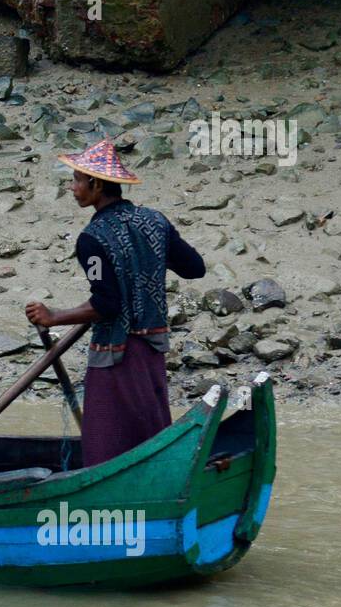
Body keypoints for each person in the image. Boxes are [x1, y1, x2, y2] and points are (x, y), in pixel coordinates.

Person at [25, 139, 206, 468]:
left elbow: (106, 304)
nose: (72, 187)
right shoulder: (155, 222)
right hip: (152, 349)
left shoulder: (91, 240)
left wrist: (53, 317)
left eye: (77, 180)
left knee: (108, 440)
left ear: (96, 184)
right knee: (149, 429)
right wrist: (145, 262)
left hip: (117, 353)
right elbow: (194, 268)